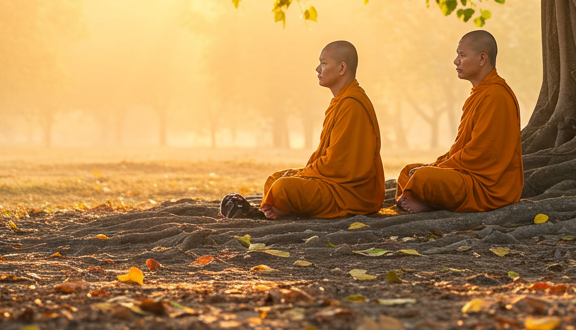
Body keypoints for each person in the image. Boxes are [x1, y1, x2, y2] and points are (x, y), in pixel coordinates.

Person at [220, 41, 385, 219]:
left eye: (323, 63)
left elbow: (338, 165)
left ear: (342, 68)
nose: (317, 69)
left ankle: (275, 210)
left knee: (283, 188)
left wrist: (305, 174)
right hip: (333, 183)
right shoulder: (340, 101)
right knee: (275, 179)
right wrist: (301, 174)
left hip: (350, 193)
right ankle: (279, 208)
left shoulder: (352, 104)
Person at [395, 30, 523, 213]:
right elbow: (461, 147)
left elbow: (482, 153)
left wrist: (439, 168)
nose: (456, 61)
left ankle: (424, 202)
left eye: (462, 55)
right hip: (465, 174)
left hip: (486, 186)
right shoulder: (478, 94)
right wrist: (438, 165)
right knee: (408, 171)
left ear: (482, 59)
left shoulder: (496, 96)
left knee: (424, 176)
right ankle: (424, 201)